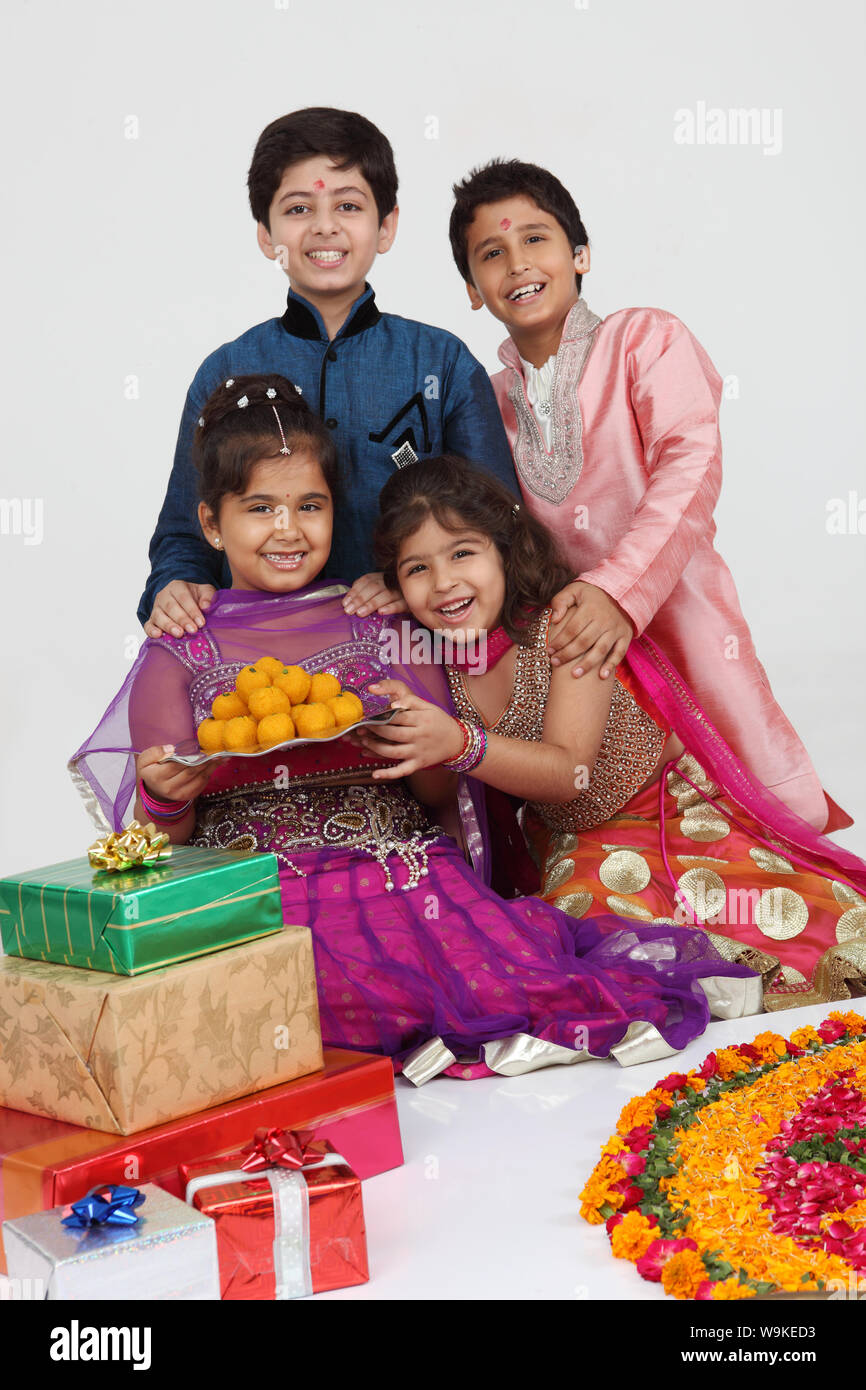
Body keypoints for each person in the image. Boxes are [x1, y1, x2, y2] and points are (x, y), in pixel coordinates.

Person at [71, 378, 760, 1085]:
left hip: (394, 871)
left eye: (310, 506)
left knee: (484, 984)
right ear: (212, 526)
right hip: (252, 886)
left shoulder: (382, 622)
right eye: (260, 509)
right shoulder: (178, 643)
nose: (288, 529)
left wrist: (410, 741)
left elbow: (437, 790)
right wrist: (167, 798)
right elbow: (161, 848)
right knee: (254, 1005)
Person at [361, 456, 866, 1013]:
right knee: (579, 933)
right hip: (578, 842)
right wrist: (410, 732)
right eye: (416, 569)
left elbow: (566, 772)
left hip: (672, 819)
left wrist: (459, 743)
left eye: (462, 553)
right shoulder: (438, 666)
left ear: (504, 551)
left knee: (782, 922)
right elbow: (439, 795)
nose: (444, 582)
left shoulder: (566, 625)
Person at [447, 158, 849, 834]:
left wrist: (617, 590)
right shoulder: (488, 403)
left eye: (536, 240)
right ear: (472, 289)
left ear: (581, 255)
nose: (517, 264)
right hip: (577, 659)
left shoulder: (644, 339)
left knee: (751, 822)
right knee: (609, 829)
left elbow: (689, 467)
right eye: (492, 253)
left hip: (680, 616)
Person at [137, 107, 518, 640]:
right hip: (254, 665)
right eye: (298, 208)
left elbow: (502, 526)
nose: (324, 225)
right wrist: (174, 585)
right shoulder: (224, 372)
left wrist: (410, 580)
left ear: (386, 227)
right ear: (267, 236)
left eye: (348, 205)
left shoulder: (442, 363)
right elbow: (183, 533)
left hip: (411, 658)